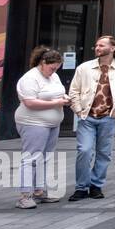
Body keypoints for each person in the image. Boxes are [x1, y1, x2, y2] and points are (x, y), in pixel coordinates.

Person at [68, 34, 115, 202]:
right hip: (87, 117)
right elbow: (74, 90)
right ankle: (81, 187)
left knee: (104, 153)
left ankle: (96, 186)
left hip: (108, 118)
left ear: (112, 48)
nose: (97, 48)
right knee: (84, 150)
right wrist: (77, 109)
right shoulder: (84, 68)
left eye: (101, 45)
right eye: (96, 45)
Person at [14, 47, 70, 209]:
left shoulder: (54, 77)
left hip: (52, 124)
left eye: (56, 69)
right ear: (43, 63)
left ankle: (39, 191)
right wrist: (56, 103)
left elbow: (58, 93)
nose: (53, 72)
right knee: (31, 158)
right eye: (52, 68)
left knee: (45, 157)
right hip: (33, 122)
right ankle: (25, 195)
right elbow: (30, 102)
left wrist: (65, 98)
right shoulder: (30, 78)